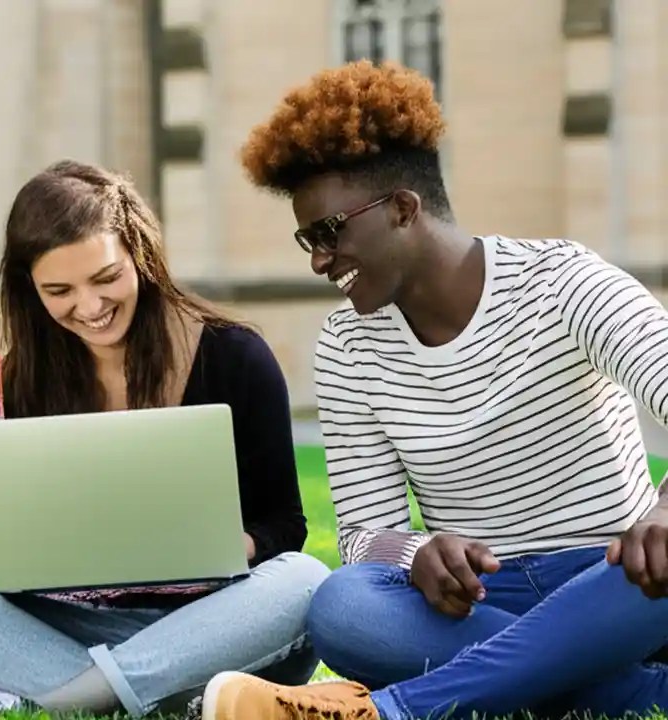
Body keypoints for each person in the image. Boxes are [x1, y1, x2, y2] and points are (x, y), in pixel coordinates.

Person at [196, 60, 668, 720]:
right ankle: (604, 687)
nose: (318, 261)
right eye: (308, 240)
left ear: (403, 209)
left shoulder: (562, 281)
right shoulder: (346, 346)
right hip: (480, 599)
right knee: (342, 605)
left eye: (328, 233)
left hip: (614, 580)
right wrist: (418, 552)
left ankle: (393, 710)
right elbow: (365, 534)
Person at [0, 160, 331, 717]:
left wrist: (222, 549)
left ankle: (58, 698)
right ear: (31, 290)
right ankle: (156, 694)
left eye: (106, 278)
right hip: (87, 620)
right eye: (60, 290)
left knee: (307, 583)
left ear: (139, 255)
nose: (91, 308)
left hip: (219, 621)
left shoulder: (236, 356)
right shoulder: (25, 376)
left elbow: (286, 526)